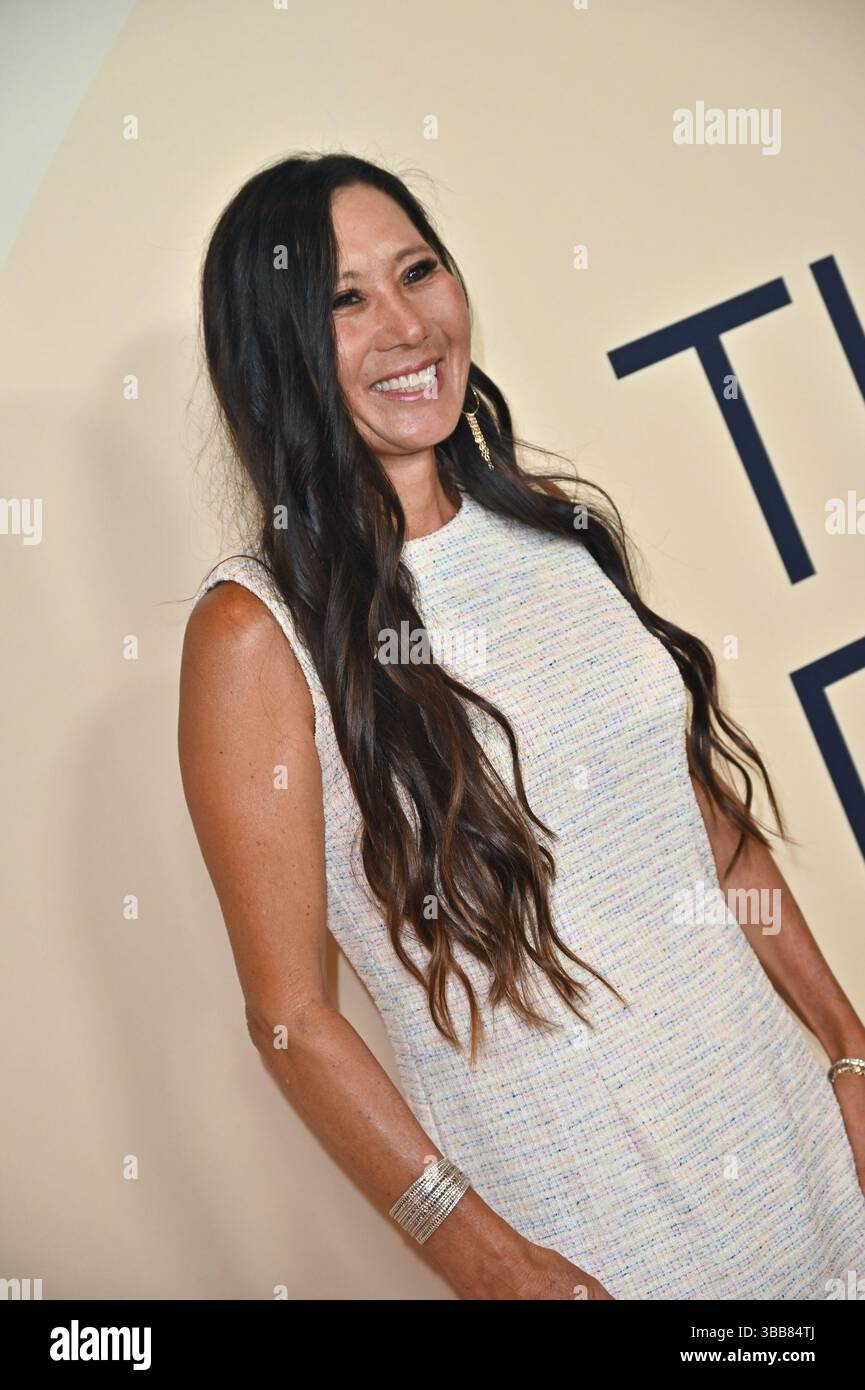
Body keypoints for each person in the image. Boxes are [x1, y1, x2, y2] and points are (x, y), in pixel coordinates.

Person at [178, 152, 865, 1300]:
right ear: (275, 351)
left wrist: (846, 1043)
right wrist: (481, 1256)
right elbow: (289, 1014)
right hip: (598, 1237)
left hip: (803, 1158)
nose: (406, 325)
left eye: (418, 272)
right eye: (345, 300)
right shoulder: (257, 633)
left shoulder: (556, 532)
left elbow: (696, 817)